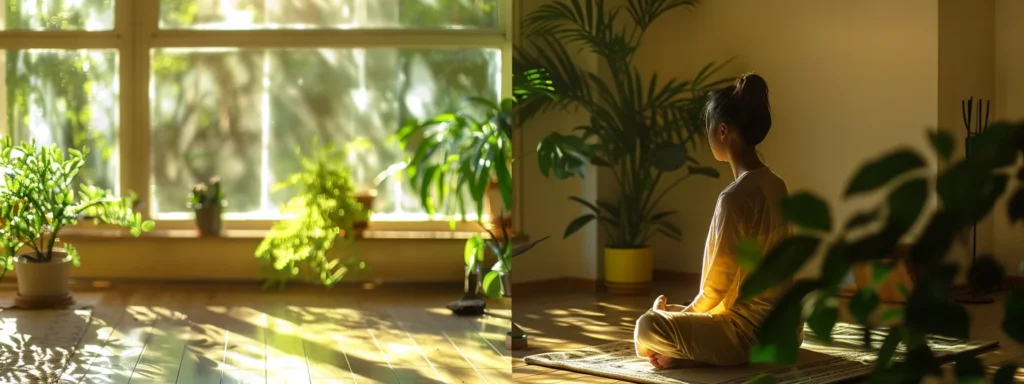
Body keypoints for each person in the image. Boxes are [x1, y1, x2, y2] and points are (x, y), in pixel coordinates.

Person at [633, 72, 798, 369]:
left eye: (708, 128)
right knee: (671, 320)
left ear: (723, 131)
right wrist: (684, 315)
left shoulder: (733, 197)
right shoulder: (778, 185)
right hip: (787, 331)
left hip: (746, 336)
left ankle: (683, 353)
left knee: (647, 328)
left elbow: (715, 291)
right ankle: (685, 348)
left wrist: (674, 320)